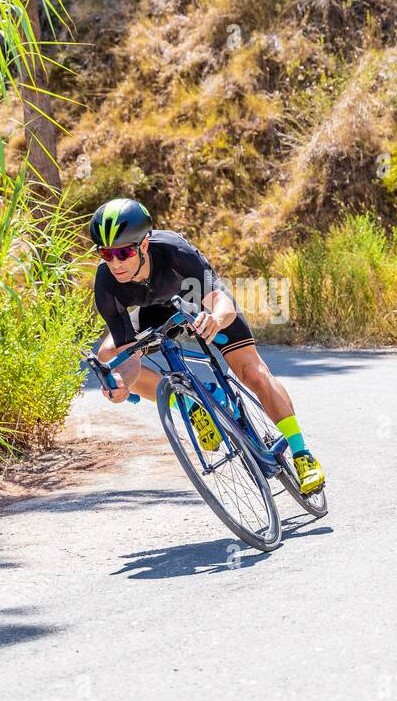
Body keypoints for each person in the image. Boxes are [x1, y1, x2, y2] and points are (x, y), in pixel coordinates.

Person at [89, 198, 325, 494]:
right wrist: (122, 382)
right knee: (108, 356)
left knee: (252, 372)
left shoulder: (173, 250)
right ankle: (189, 403)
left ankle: (302, 454)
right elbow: (129, 355)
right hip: (154, 312)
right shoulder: (106, 284)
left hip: (200, 302)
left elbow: (220, 301)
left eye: (123, 253)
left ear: (144, 245)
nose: (115, 263)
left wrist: (215, 319)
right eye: (106, 254)